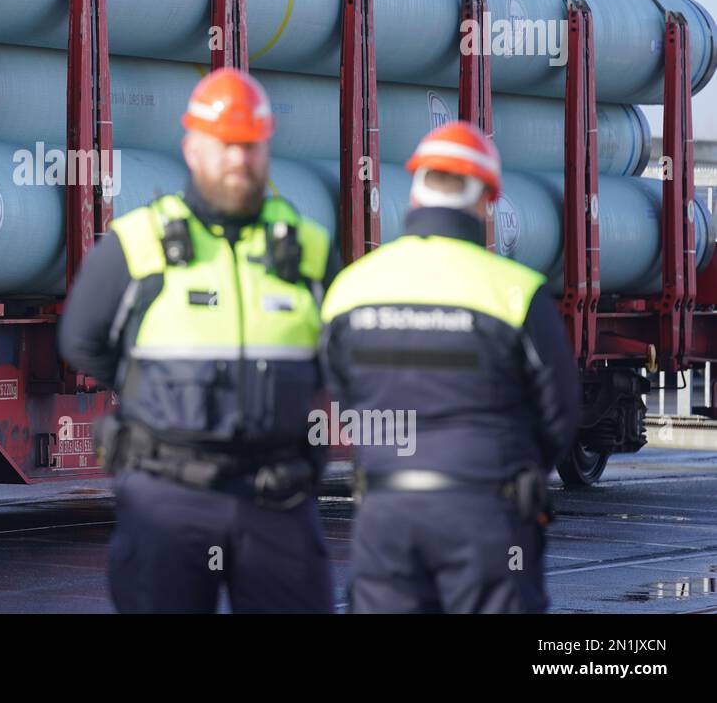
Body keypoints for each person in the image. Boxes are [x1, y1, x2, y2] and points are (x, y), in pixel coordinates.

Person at [58, 67, 337, 613]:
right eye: (224, 145)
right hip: (168, 500)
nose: (238, 160)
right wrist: (151, 390)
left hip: (276, 497)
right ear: (191, 148)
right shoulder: (138, 246)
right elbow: (80, 339)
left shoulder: (307, 249)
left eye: (251, 145)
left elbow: (338, 354)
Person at [319, 120, 581, 613]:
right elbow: (561, 411)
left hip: (385, 517)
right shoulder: (516, 291)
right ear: (487, 201)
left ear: (415, 195)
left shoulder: (351, 288)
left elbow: (342, 391)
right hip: (485, 515)